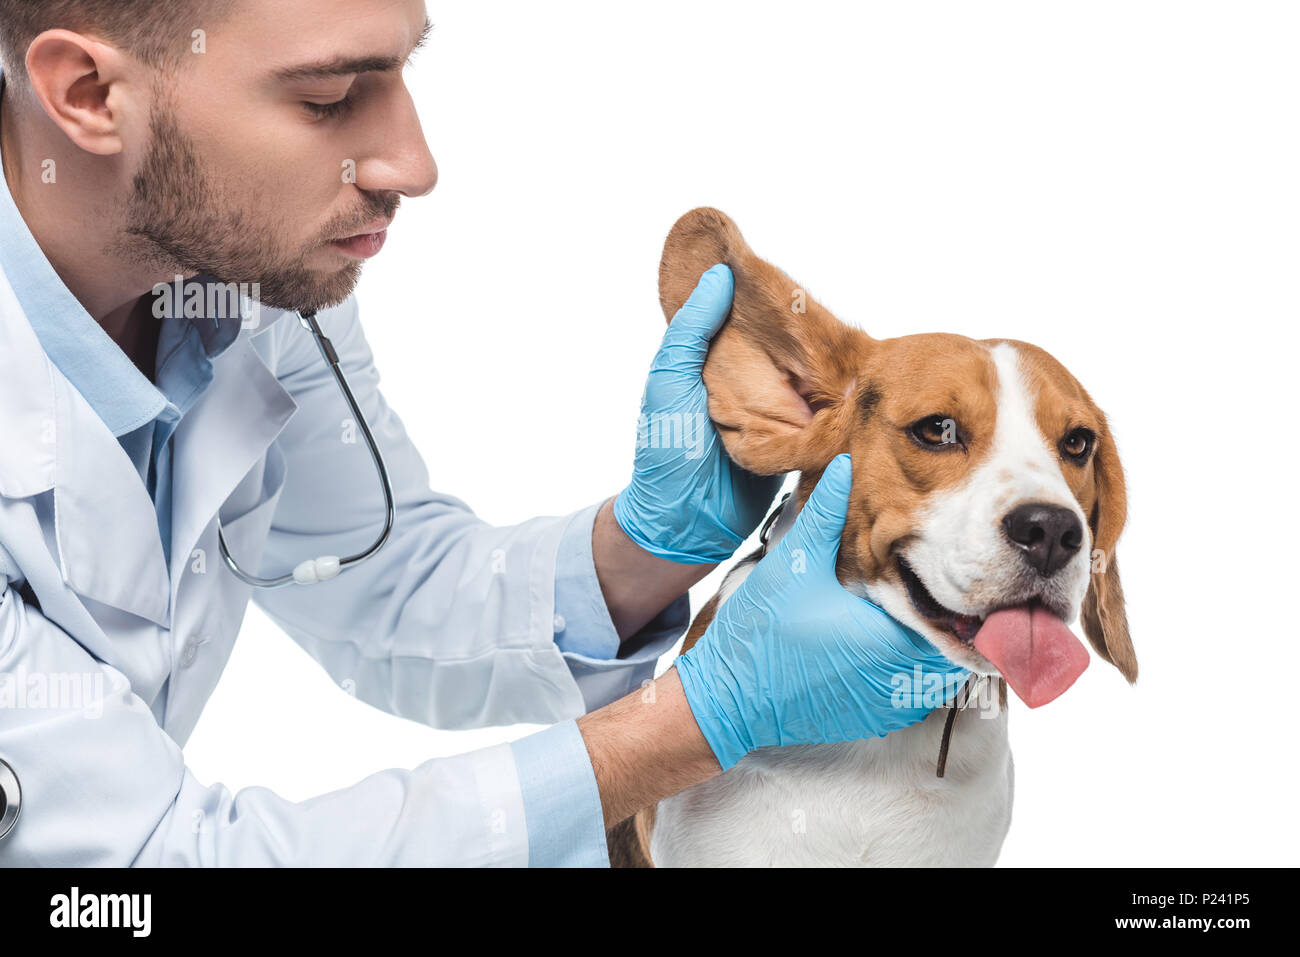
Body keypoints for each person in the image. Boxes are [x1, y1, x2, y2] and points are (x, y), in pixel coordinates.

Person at [0, 0, 967, 866]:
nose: (414, 165)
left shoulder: (242, 279)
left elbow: (379, 575)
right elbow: (151, 868)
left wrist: (648, 547)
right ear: (87, 94)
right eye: (330, 98)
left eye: (401, 67)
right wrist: (697, 722)